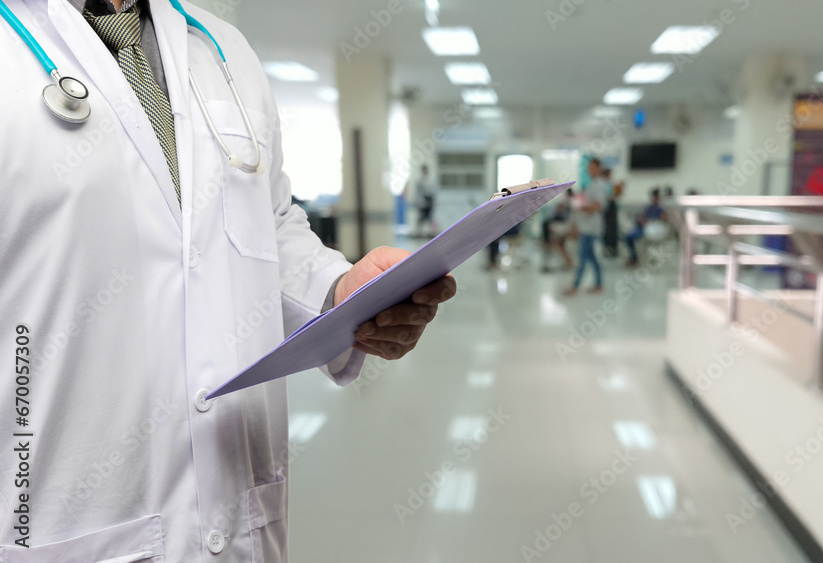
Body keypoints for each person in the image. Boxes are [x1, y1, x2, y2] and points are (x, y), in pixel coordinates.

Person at [0, 1, 454, 561]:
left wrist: (340, 295)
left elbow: (270, 223)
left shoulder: (222, 49)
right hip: (59, 515)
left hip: (237, 522)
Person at [565, 158, 607, 295]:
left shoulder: (599, 185)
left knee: (582, 257)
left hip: (591, 227)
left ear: (599, 169)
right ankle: (598, 284)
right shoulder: (591, 185)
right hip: (586, 226)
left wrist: (582, 207)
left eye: (593, 167)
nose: (590, 170)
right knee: (592, 257)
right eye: (589, 167)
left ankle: (575, 286)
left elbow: (597, 205)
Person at [625, 188, 668, 266]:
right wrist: (641, 219)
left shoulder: (661, 208)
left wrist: (650, 221)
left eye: (656, 197)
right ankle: (634, 257)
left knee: (631, 238)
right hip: (642, 227)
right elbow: (643, 216)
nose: (654, 198)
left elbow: (663, 219)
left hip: (652, 230)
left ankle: (634, 258)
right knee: (628, 237)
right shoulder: (650, 207)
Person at [413, 164, 437, 237]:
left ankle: (431, 232)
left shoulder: (430, 181)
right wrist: (418, 203)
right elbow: (418, 194)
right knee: (421, 218)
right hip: (422, 204)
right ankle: (419, 232)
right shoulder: (420, 181)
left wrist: (432, 202)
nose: (425, 172)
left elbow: (432, 192)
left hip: (429, 203)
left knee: (430, 218)